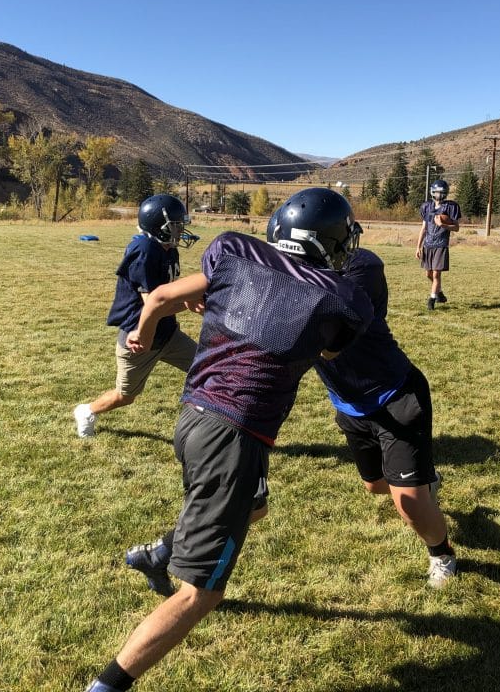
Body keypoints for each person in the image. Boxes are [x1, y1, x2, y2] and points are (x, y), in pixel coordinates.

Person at [84, 188, 372, 692]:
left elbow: (163, 297)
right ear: (325, 242)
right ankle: (107, 685)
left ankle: (158, 554)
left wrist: (181, 321)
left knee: (253, 508)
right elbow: (325, 351)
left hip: (195, 415)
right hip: (234, 436)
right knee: (201, 594)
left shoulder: (235, 253)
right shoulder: (340, 299)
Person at [313, 246, 456, 588]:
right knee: (375, 486)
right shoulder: (292, 277)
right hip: (350, 405)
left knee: (407, 501)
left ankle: (442, 553)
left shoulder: (361, 268)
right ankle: (427, 481)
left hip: (396, 396)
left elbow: (330, 331)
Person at [73, 194, 198, 438]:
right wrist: (190, 302)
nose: (181, 230)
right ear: (158, 226)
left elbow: (170, 290)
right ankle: (87, 410)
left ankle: (211, 421)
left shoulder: (168, 249)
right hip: (139, 338)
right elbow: (154, 304)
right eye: (175, 225)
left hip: (167, 334)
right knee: (125, 396)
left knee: (203, 367)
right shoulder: (144, 249)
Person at [415, 179, 461, 310]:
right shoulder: (427, 206)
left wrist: (444, 225)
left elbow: (457, 228)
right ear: (432, 192)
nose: (438, 195)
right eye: (436, 192)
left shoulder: (451, 207)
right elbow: (423, 228)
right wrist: (418, 246)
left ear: (445, 193)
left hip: (441, 244)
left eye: (441, 193)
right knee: (428, 274)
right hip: (428, 244)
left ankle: (432, 299)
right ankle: (439, 292)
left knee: (436, 274)